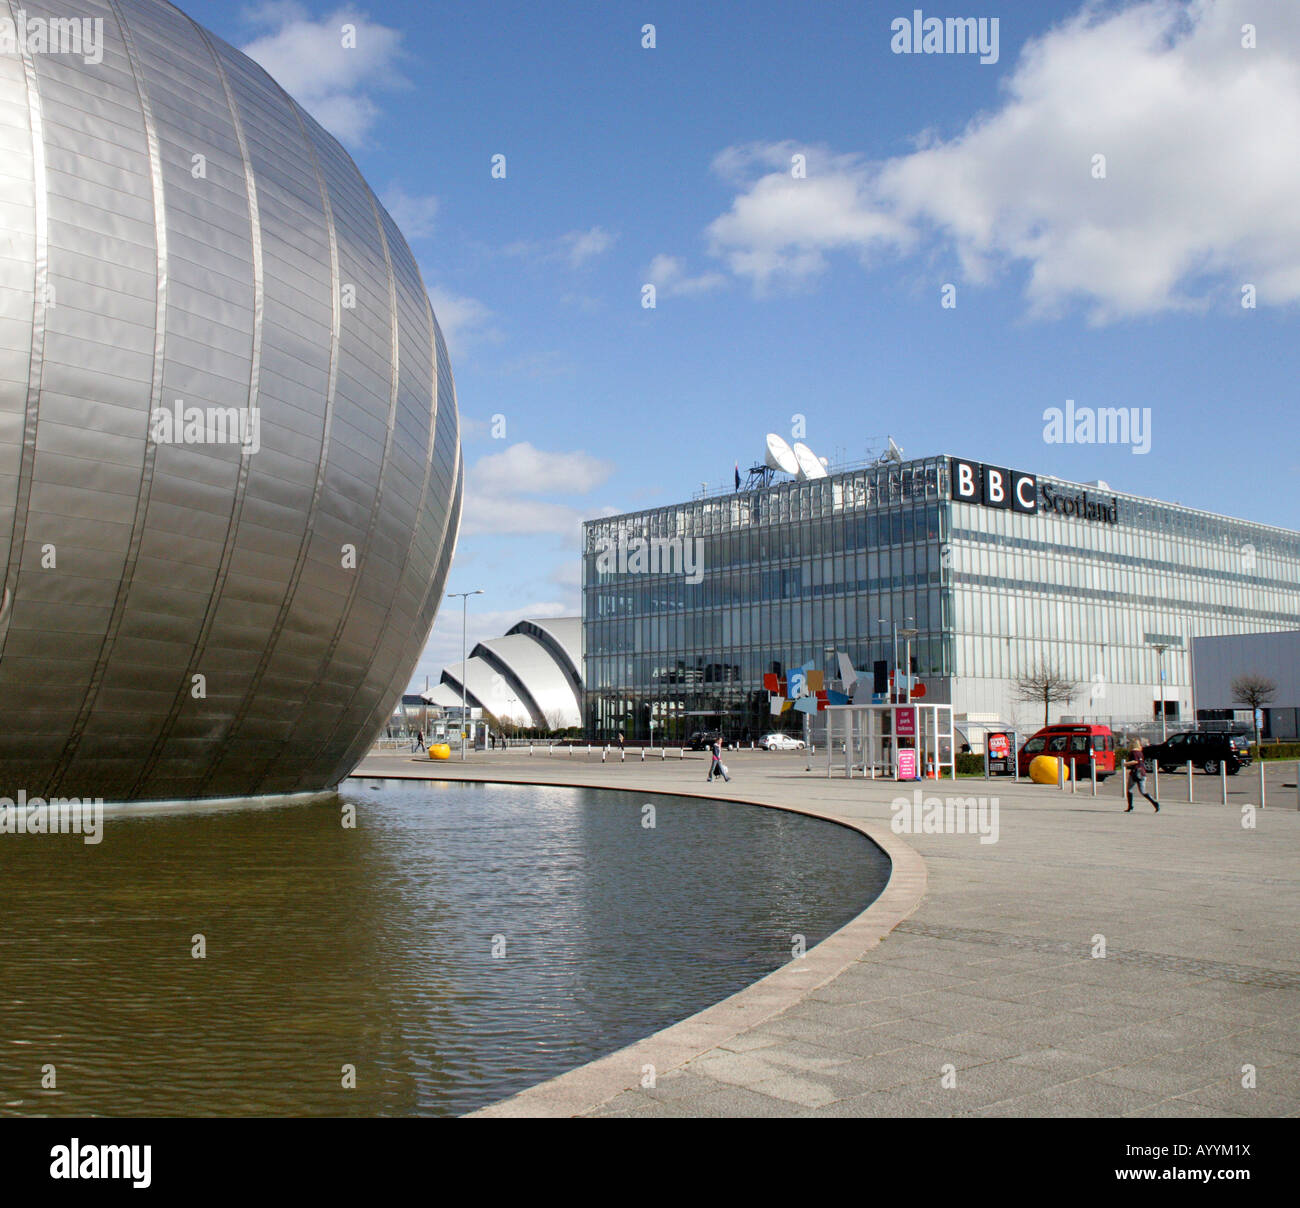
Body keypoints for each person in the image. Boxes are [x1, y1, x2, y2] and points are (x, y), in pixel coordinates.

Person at [1123, 742, 1159, 812]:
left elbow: (1135, 761)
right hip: (1142, 773)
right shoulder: (1140, 753)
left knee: (1129, 790)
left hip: (1135, 773)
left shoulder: (1133, 752)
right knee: (1143, 791)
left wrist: (1126, 764)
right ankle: (1154, 803)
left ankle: (1130, 806)